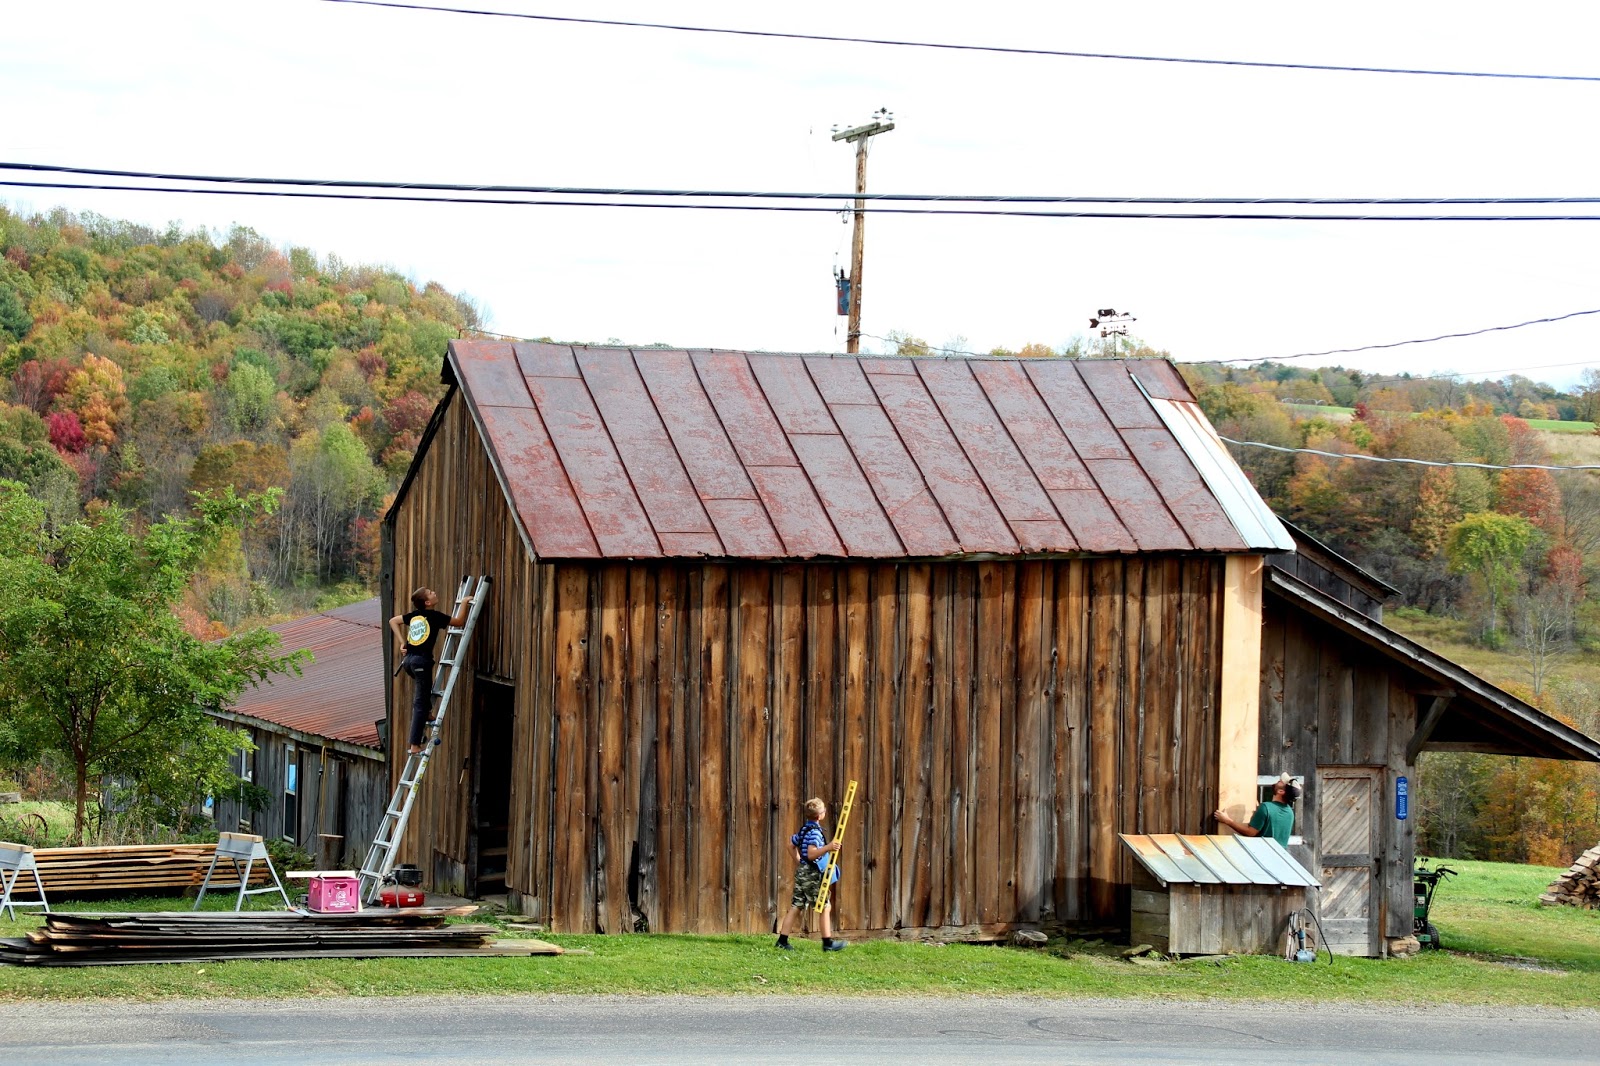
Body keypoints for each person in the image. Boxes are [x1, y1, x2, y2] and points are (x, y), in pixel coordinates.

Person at [389, 586, 473, 755]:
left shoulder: (414, 616)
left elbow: (393, 621)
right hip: (421, 662)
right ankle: (414, 744)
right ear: (427, 602)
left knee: (423, 694)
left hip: (409, 662)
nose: (434, 592)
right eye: (431, 593)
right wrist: (464, 602)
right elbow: (459, 622)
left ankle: (427, 713)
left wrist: (402, 642)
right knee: (420, 702)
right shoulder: (434, 616)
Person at [774, 797, 847, 952]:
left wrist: (799, 861)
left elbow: (790, 844)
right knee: (825, 906)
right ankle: (827, 943)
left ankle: (782, 940)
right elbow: (812, 853)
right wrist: (828, 847)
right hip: (812, 874)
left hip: (803, 871)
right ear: (820, 815)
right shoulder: (814, 833)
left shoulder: (804, 829)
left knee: (796, 905)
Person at [1215, 772, 1300, 847]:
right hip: (1279, 858)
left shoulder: (1266, 807)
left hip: (1262, 856)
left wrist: (1227, 820)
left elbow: (1250, 832)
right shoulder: (1290, 813)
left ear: (1281, 791)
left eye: (1281, 782)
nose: (1278, 781)